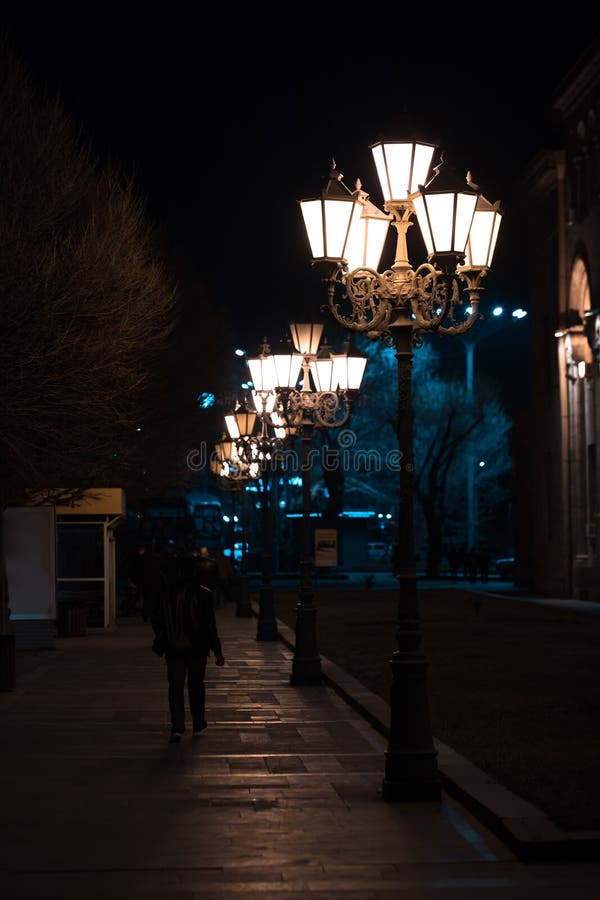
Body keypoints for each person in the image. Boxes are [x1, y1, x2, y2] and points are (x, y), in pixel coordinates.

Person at [150, 554, 224, 744]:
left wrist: (163, 636)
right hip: (197, 649)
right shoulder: (204, 594)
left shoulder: (167, 594)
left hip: (174, 648)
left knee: (175, 687)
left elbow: (157, 619)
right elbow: (209, 625)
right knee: (196, 686)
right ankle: (198, 723)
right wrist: (217, 651)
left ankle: (177, 727)